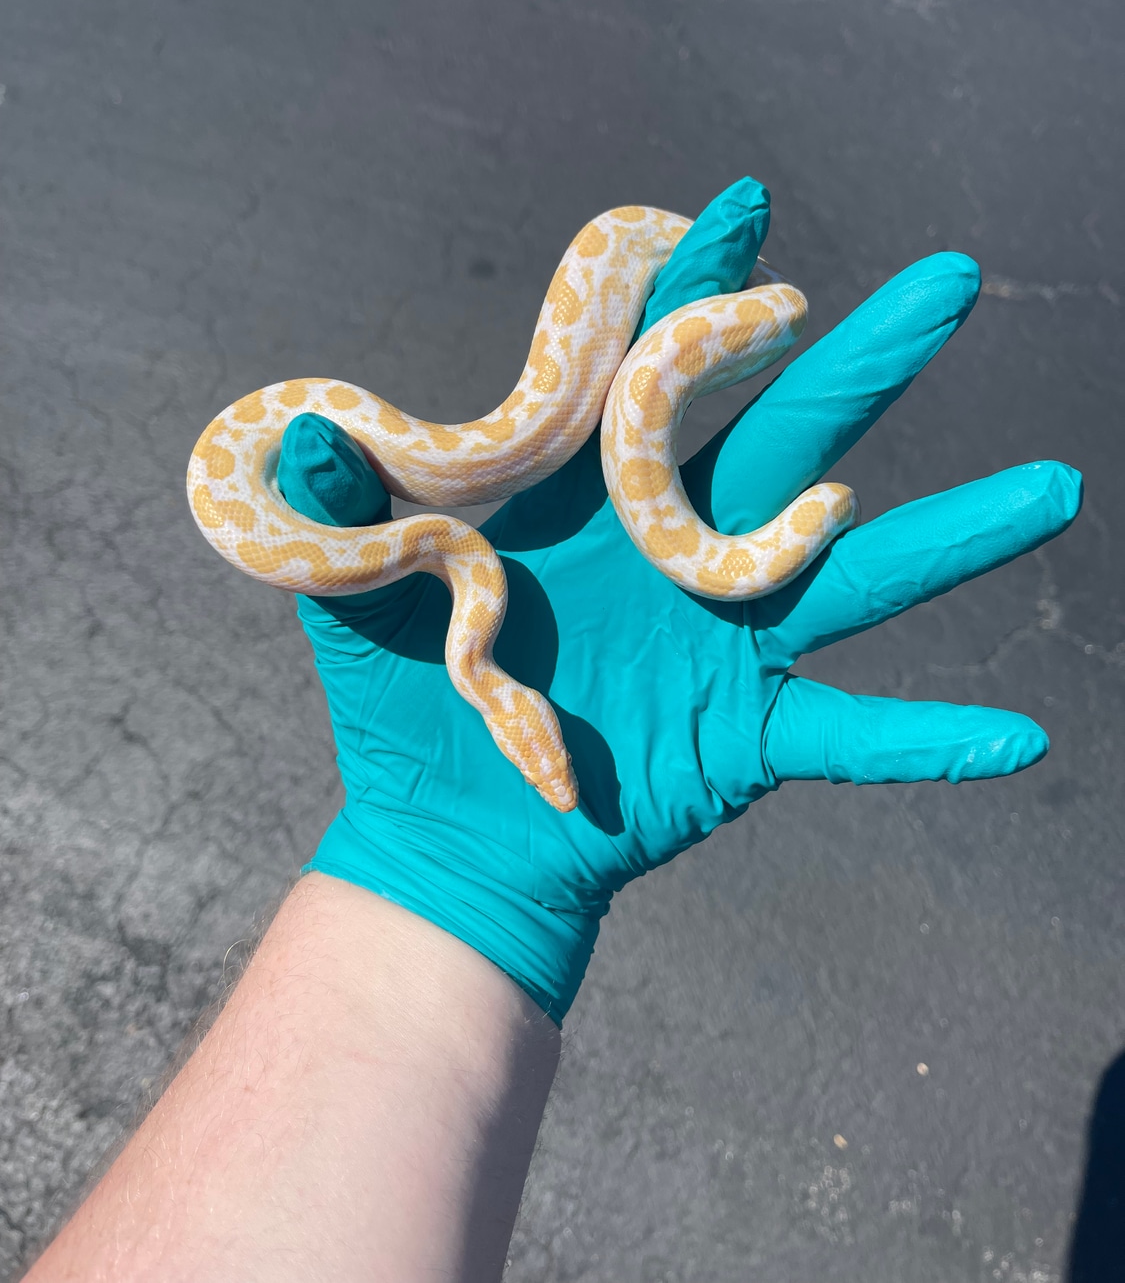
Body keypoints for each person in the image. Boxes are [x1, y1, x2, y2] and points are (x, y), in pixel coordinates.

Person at [25, 181, 1081, 1283]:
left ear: (515, 710)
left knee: (737, 320)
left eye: (550, 755)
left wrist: (434, 902)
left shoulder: (466, 576)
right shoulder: (450, 568)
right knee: (715, 348)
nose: (561, 773)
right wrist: (451, 884)